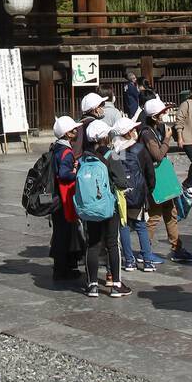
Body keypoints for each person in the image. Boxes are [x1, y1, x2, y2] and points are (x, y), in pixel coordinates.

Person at [76, 120, 131, 299]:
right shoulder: (111, 154)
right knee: (112, 244)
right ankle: (115, 284)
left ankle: (92, 285)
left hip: (89, 207)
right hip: (108, 206)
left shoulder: (83, 156)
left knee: (92, 243)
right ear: (105, 137)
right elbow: (122, 181)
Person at [141, 97, 190, 262]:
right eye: (162, 112)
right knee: (154, 215)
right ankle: (145, 250)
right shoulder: (147, 133)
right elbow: (158, 155)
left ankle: (177, 247)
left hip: (161, 179)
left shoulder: (157, 128)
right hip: (154, 180)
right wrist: (167, 139)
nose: (165, 114)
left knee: (171, 212)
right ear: (154, 116)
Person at [110, 115, 157, 272]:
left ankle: (129, 261)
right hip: (138, 194)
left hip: (122, 194)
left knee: (123, 226)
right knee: (141, 226)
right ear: (129, 132)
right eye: (133, 129)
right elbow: (150, 173)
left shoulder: (116, 151)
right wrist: (148, 190)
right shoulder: (139, 149)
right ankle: (148, 261)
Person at [50, 115, 83, 281]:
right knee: (65, 234)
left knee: (59, 233)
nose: (76, 131)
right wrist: (75, 173)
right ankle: (62, 270)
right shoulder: (67, 152)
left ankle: (60, 267)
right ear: (67, 134)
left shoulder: (55, 147)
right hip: (64, 199)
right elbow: (63, 174)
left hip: (55, 198)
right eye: (73, 130)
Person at [74, 91, 105, 158]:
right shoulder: (94, 124)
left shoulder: (79, 123)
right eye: (101, 105)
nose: (103, 108)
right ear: (95, 109)